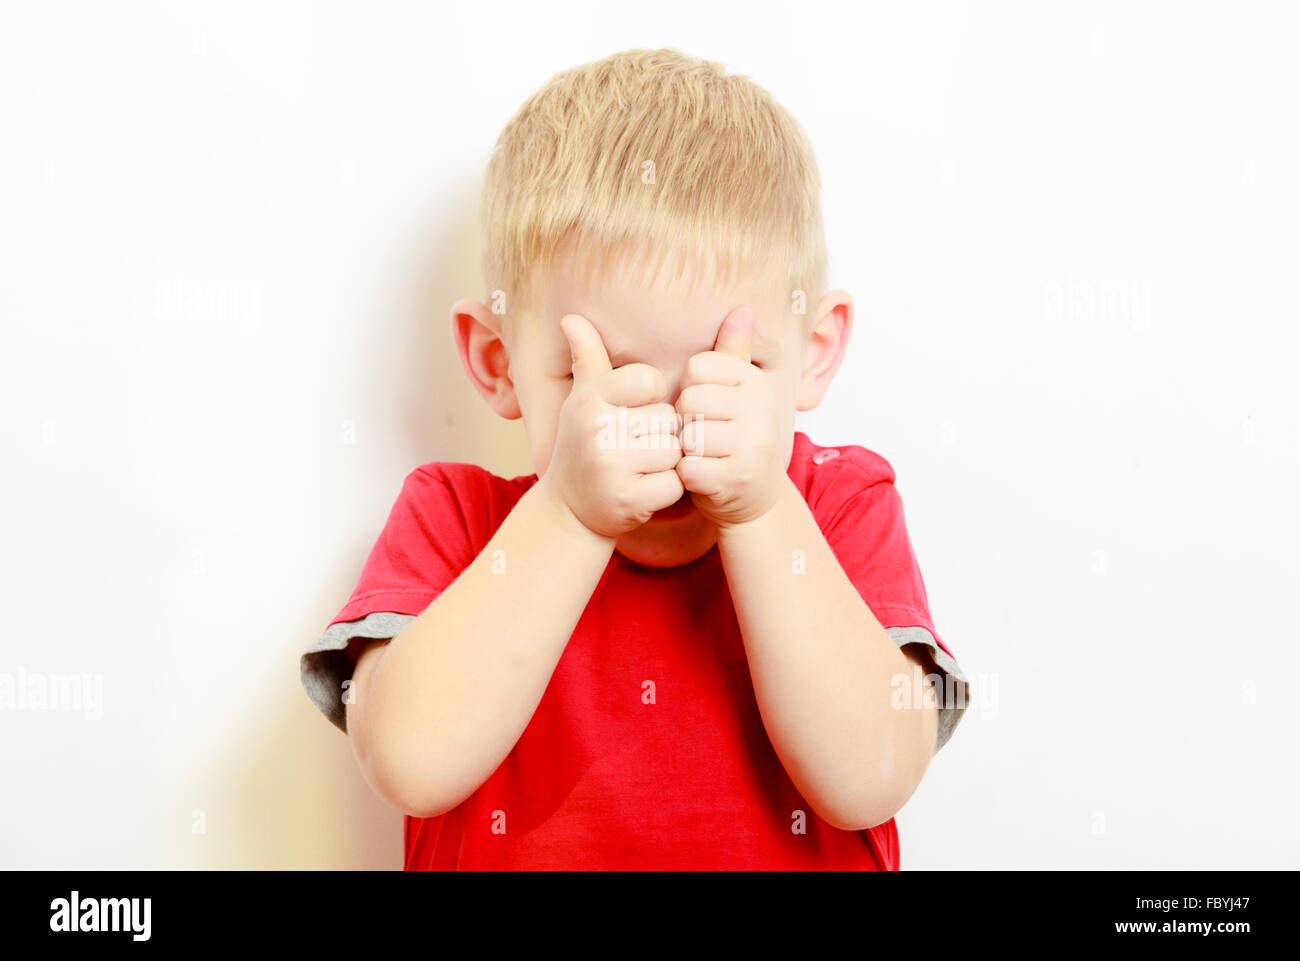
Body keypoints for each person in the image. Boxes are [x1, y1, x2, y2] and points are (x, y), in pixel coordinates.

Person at [300, 47, 970, 869]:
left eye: (731, 378)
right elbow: (407, 759)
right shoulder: (458, 521)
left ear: (817, 351)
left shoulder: (838, 506)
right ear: (497, 360)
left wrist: (763, 510)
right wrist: (567, 516)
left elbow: (871, 775)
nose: (674, 431)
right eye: (609, 378)